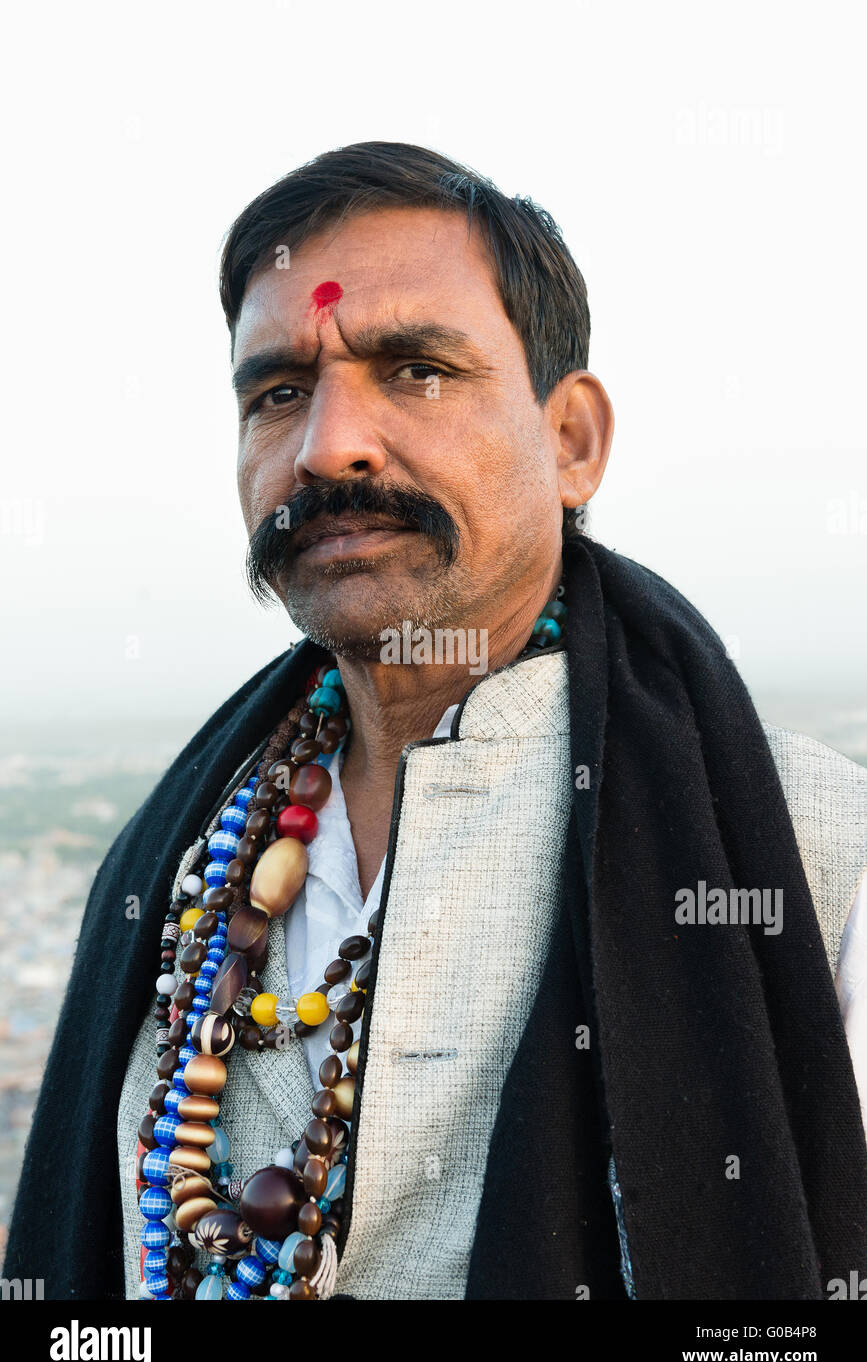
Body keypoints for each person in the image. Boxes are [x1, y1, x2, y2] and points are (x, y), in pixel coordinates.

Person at [5, 141, 866, 1301]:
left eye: (414, 370)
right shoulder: (184, 859)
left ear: (573, 442)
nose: (327, 446)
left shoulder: (809, 851)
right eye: (278, 392)